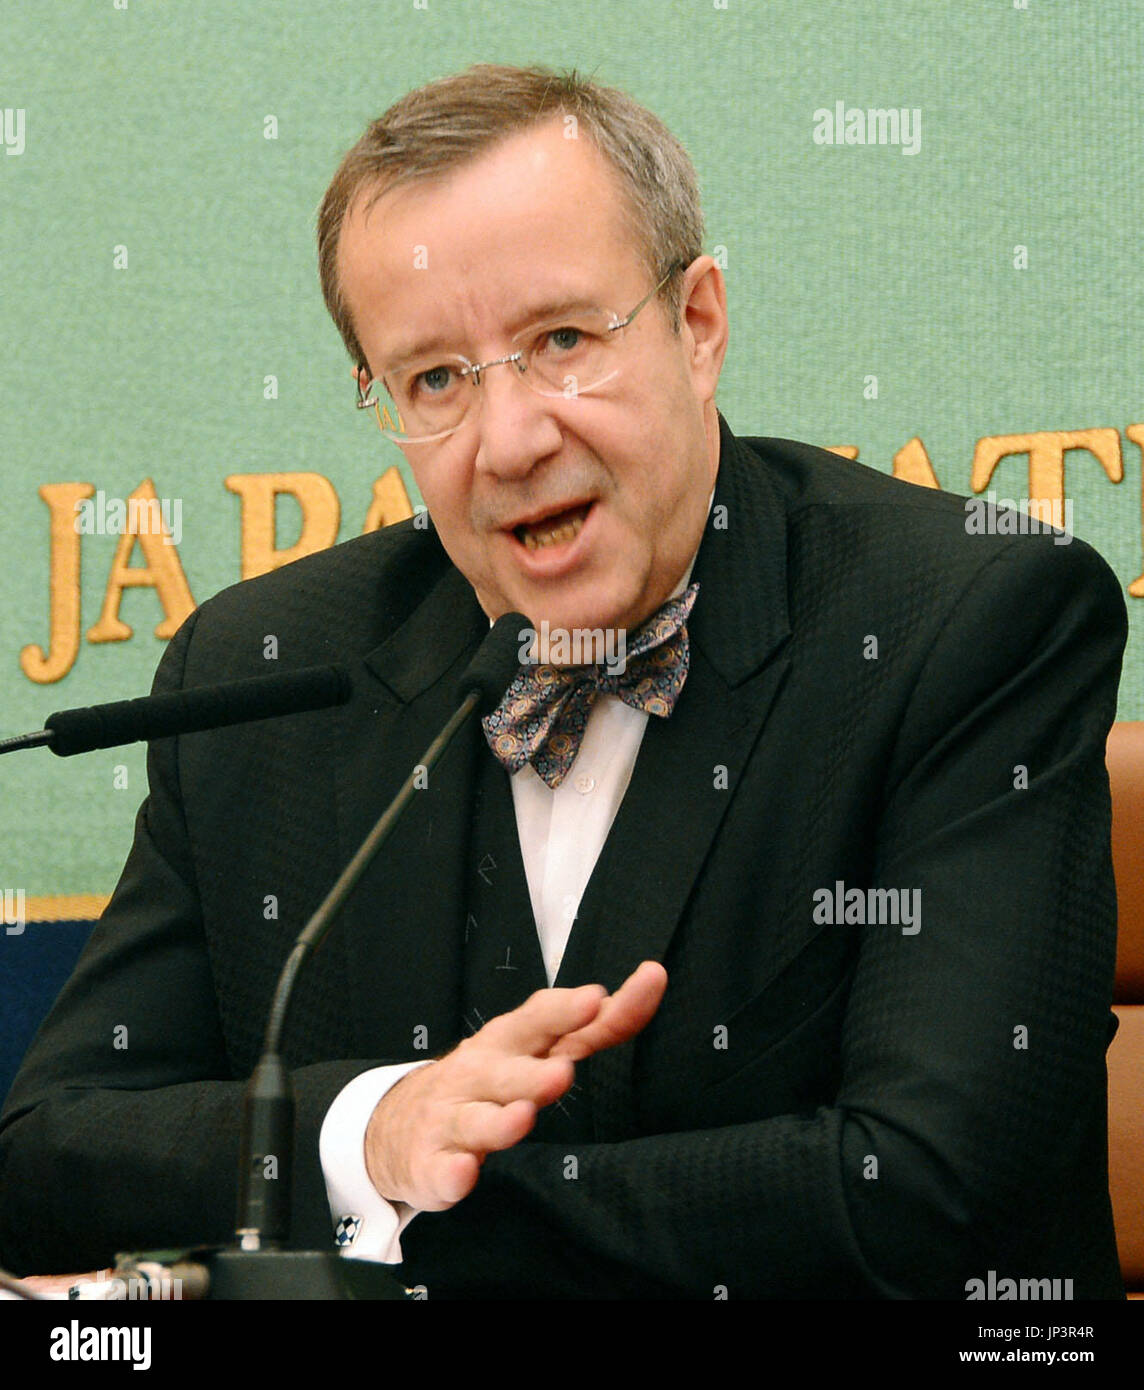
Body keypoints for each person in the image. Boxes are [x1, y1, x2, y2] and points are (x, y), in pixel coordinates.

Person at [0, 64, 1128, 1299]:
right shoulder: (263, 674)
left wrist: (409, 1227)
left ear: (698, 324)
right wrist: (368, 1135)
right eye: (436, 378)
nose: (512, 439)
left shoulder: (964, 621)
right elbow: (48, 1160)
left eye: (562, 342)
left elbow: (924, 1195)